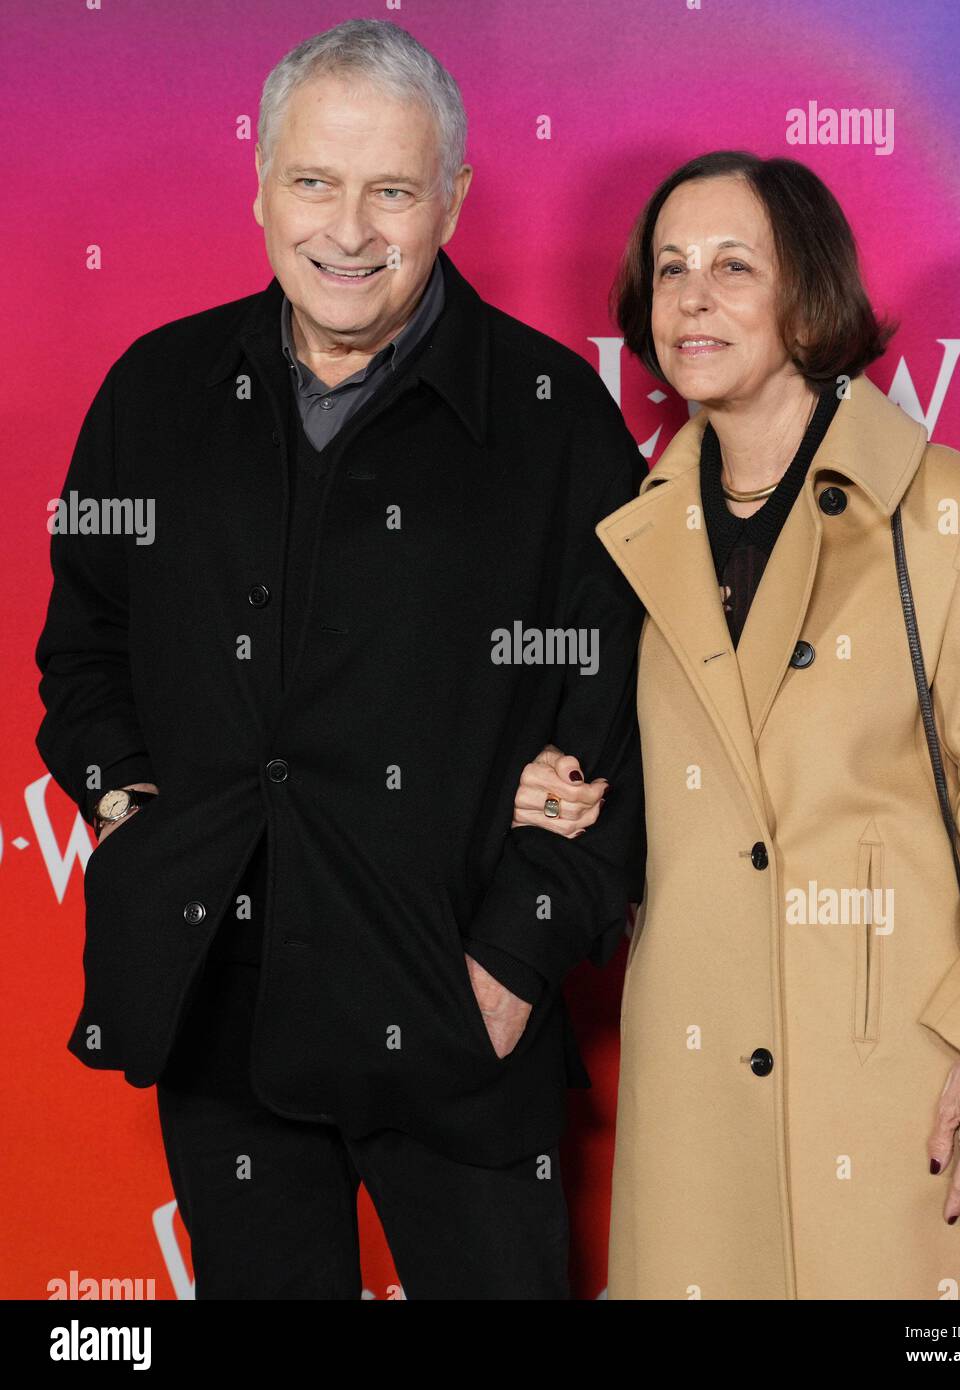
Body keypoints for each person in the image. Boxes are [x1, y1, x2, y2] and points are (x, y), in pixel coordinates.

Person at [34, 19, 646, 1300]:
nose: (348, 230)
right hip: (221, 998)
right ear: (260, 183)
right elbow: (83, 638)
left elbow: (617, 708)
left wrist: (509, 966)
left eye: (392, 189)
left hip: (453, 1001)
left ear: (454, 199)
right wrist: (130, 805)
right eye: (314, 181)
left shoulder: (552, 421)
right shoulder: (155, 391)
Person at [512, 150, 960, 1299]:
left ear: (807, 291)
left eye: (730, 266)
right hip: (695, 1069)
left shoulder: (944, 510)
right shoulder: (631, 533)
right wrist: (550, 787)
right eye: (668, 270)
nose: (690, 299)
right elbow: (624, 767)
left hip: (890, 1068)